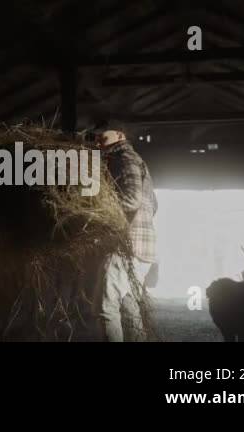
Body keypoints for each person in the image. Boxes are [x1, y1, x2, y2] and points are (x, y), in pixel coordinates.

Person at [95, 128, 158, 341]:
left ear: (120, 135)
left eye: (103, 136)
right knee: (129, 306)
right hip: (143, 246)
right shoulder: (139, 162)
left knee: (106, 307)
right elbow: (153, 205)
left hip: (126, 246)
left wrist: (97, 209)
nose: (98, 142)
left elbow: (131, 200)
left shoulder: (123, 157)